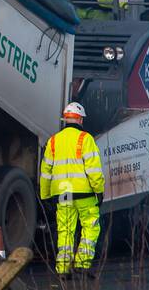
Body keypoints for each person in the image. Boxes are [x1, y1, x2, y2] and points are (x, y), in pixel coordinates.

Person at [38, 102, 105, 279]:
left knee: (65, 230)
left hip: (63, 194)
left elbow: (45, 172)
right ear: (80, 120)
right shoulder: (86, 139)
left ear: (65, 120)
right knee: (90, 227)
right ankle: (82, 264)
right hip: (85, 194)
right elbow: (94, 170)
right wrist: (99, 190)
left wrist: (45, 196)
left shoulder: (53, 141)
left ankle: (63, 270)